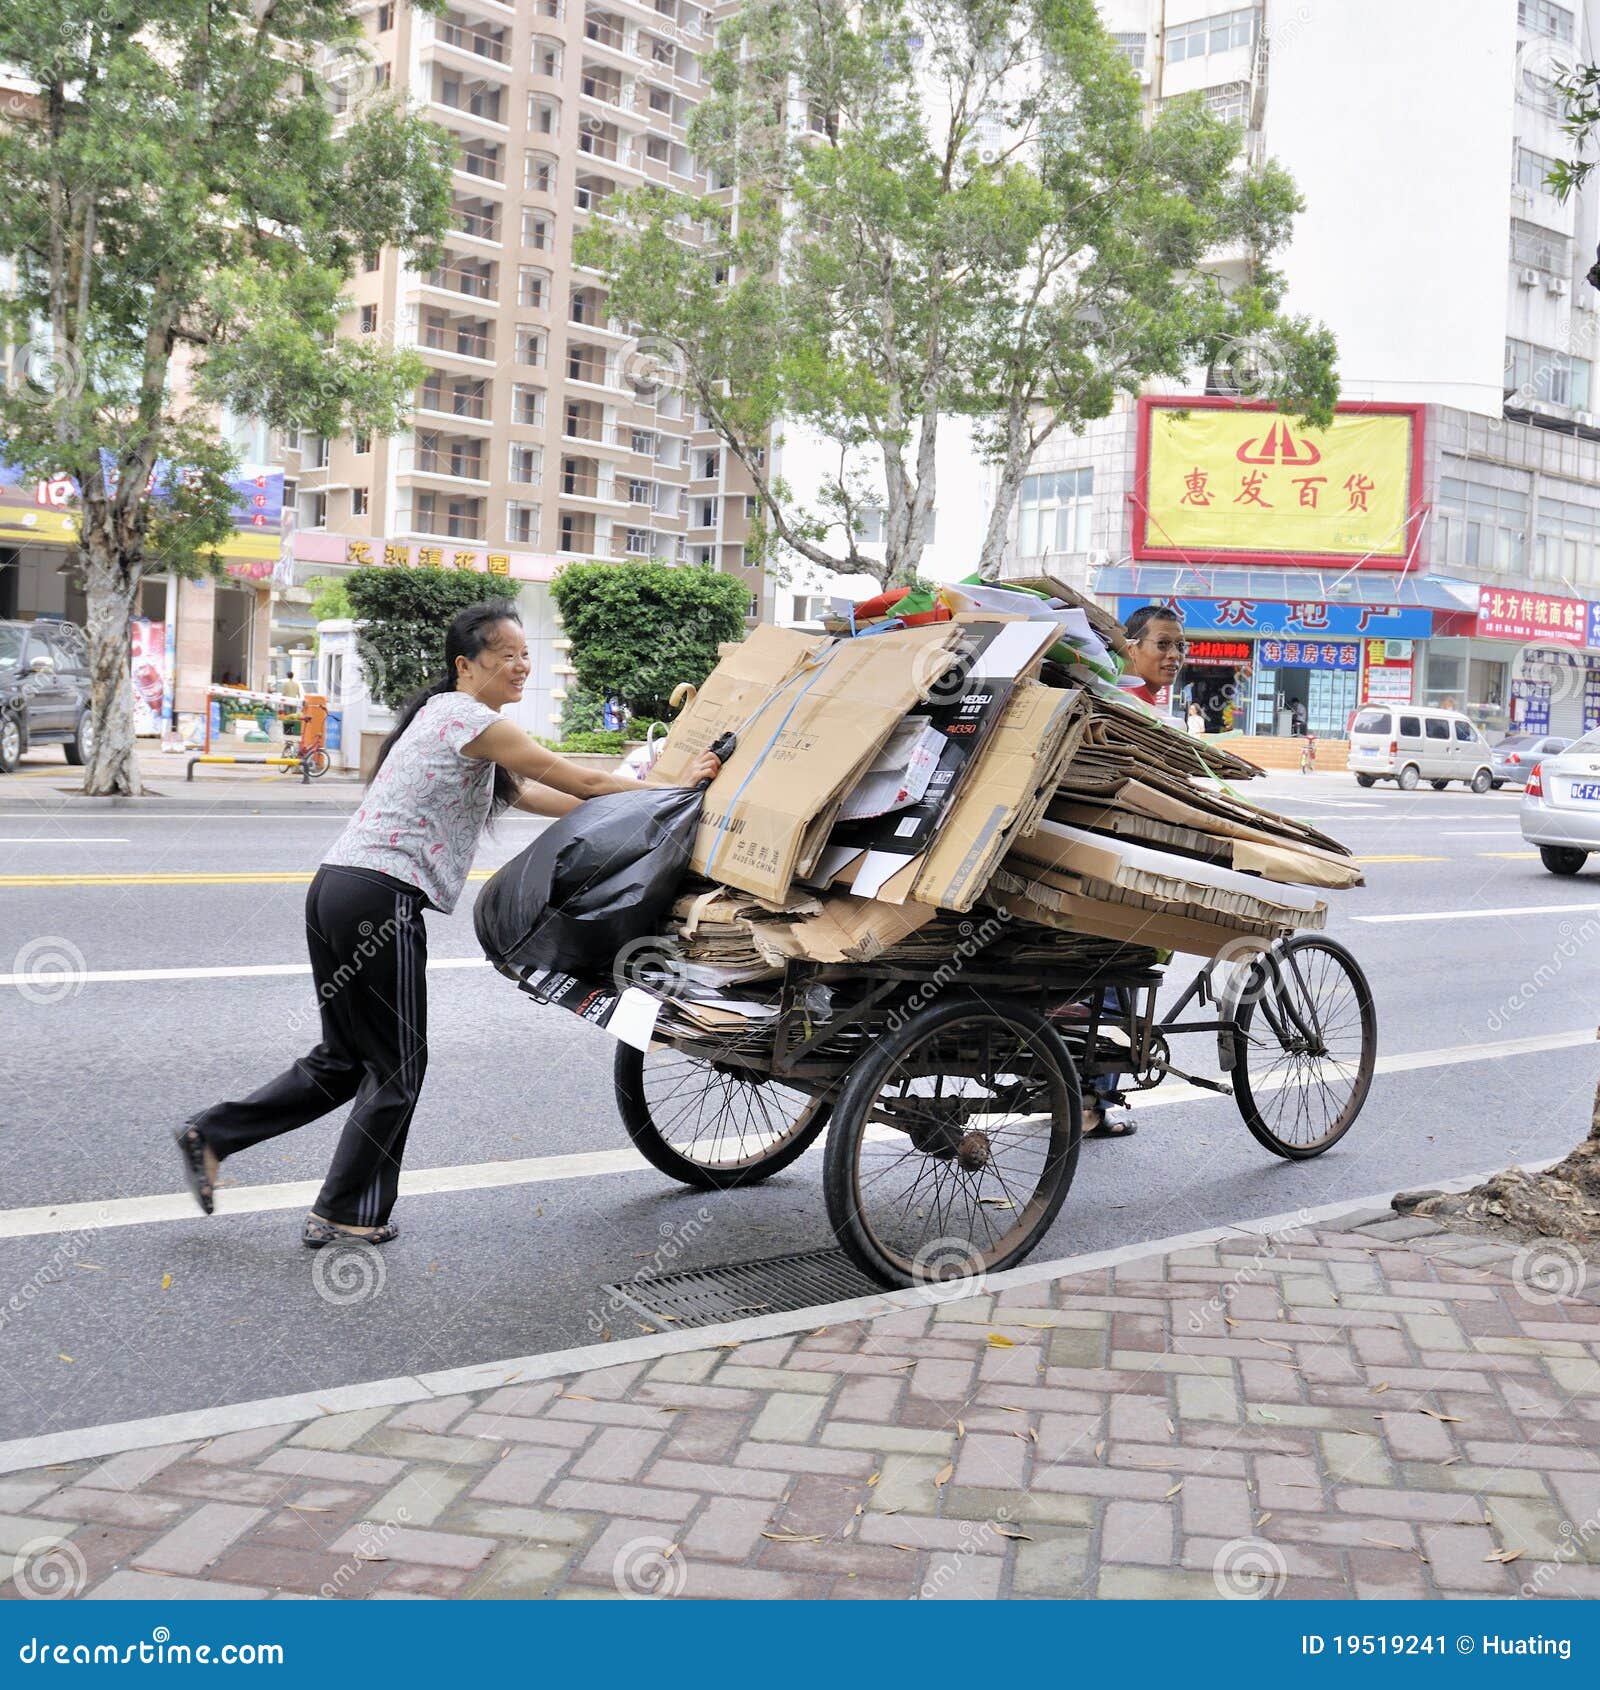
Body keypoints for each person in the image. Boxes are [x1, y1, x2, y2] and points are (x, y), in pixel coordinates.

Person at [176, 600, 722, 1249]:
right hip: (379, 898)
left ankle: (212, 1135)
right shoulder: (471, 719)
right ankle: (347, 1210)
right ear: (467, 665)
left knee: (344, 1059)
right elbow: (582, 777)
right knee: (399, 1064)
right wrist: (678, 788)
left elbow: (543, 795)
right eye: (508, 655)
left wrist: (629, 805)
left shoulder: (449, 720)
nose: (522, 665)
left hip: (338, 889)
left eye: (526, 654)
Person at [1118, 605, 1186, 709]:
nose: (1175, 655)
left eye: (1180, 645)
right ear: (1131, 649)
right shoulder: (1123, 705)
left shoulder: (1143, 706)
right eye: (1162, 643)